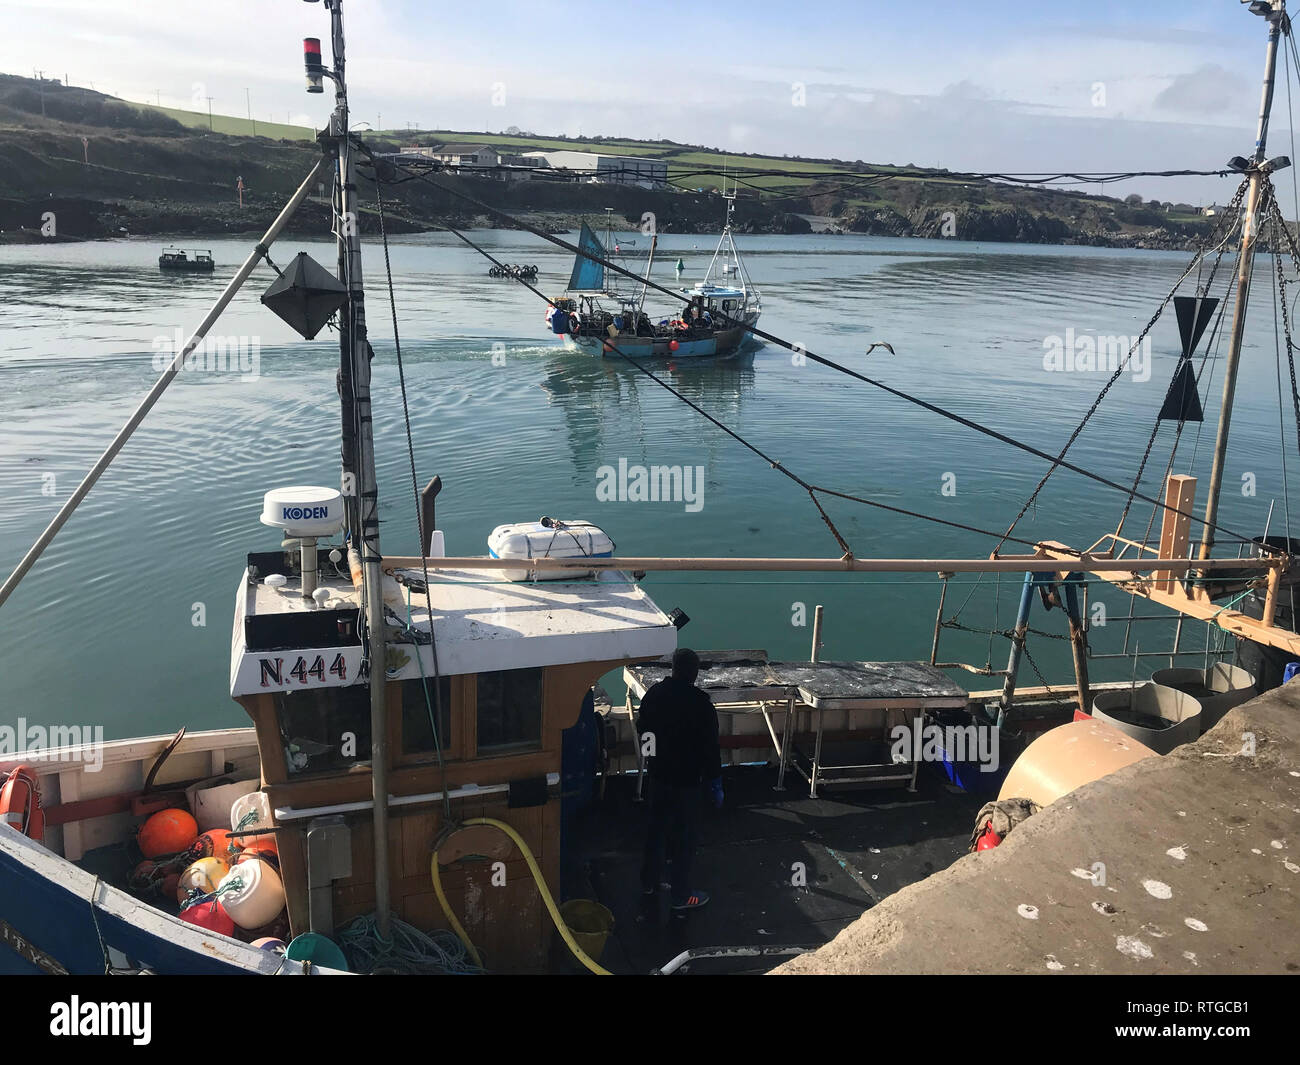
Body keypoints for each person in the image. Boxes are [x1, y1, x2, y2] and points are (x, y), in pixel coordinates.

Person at [637, 647, 723, 911]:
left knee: (655, 830)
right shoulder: (702, 705)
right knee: (684, 838)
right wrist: (714, 783)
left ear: (672, 668)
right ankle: (681, 896)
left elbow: (643, 729)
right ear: (695, 673)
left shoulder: (654, 695)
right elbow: (711, 749)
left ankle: (648, 883)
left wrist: (653, 759)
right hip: (687, 782)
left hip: (659, 776)